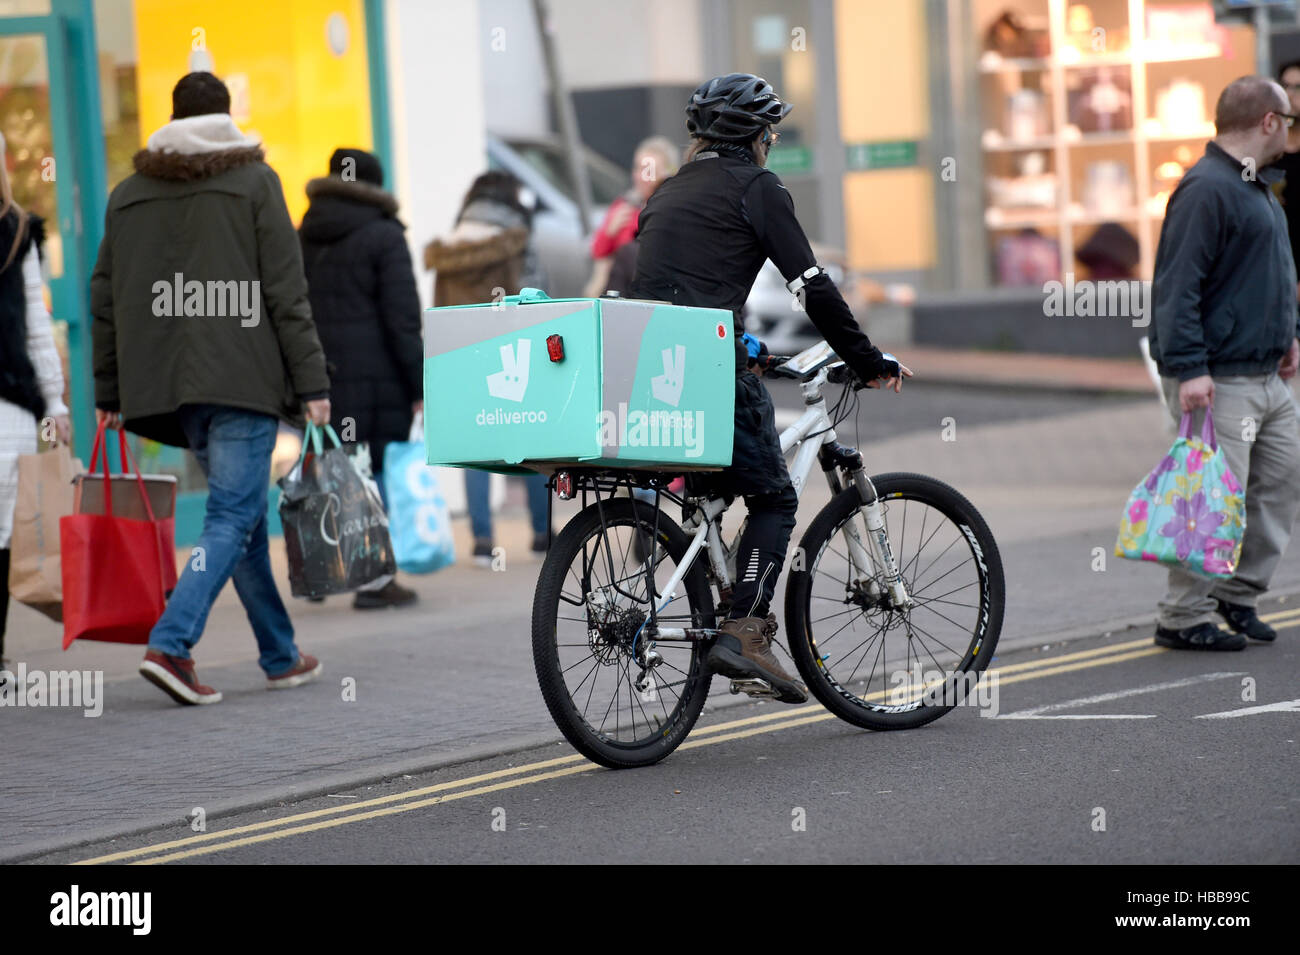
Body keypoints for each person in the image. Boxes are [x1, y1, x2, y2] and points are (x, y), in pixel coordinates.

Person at [630, 73, 911, 703]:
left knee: (718, 494)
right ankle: (746, 632)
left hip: (653, 370)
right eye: (771, 132)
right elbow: (811, 285)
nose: (771, 143)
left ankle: (720, 599)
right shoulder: (757, 188)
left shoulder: (666, 194)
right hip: (708, 374)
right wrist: (865, 360)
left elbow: (678, 287)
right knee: (775, 499)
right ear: (756, 136)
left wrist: (744, 344)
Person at [90, 72, 331, 704]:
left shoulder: (128, 194)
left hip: (171, 390)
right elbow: (285, 290)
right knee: (231, 515)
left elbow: (105, 298)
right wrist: (312, 382)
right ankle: (172, 643)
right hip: (242, 381)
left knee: (241, 518)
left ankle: (279, 655)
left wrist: (110, 392)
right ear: (226, 118)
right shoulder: (256, 183)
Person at [1148, 75, 1300, 651]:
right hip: (1218, 378)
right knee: (1210, 497)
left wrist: (1290, 334)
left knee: (1280, 485)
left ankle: (1237, 594)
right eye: (1288, 120)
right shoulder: (1206, 187)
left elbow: (1267, 273)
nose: (1290, 130)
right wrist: (1190, 368)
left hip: (1265, 373)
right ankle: (1183, 616)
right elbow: (1177, 287)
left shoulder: (1252, 184)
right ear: (1268, 122)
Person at [299, 147, 422, 609]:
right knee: (372, 476)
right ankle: (373, 582)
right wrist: (418, 383)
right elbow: (402, 319)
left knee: (334, 471)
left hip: (321, 375)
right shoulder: (384, 235)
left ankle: (321, 570)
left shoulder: (304, 232)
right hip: (376, 376)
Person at [423, 171, 553, 564]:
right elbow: (539, 299)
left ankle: (482, 540)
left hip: (464, 355)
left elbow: (440, 311)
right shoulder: (518, 241)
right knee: (530, 440)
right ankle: (542, 533)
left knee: (474, 443)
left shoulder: (450, 248)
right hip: (514, 353)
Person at [0, 137, 69, 678]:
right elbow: (36, 326)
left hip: (13, 408)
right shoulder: (19, 229)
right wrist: (53, 403)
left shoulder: (20, 229)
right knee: (3, 535)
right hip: (12, 405)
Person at [584, 136, 679, 297]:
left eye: (648, 170)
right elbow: (597, 252)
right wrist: (609, 233)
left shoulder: (672, 210)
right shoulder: (625, 206)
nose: (640, 176)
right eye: (637, 168)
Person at [1271, 60, 1300, 295]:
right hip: (1275, 274)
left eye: (1298, 88)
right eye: (1286, 87)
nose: (1291, 96)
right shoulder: (1265, 149)